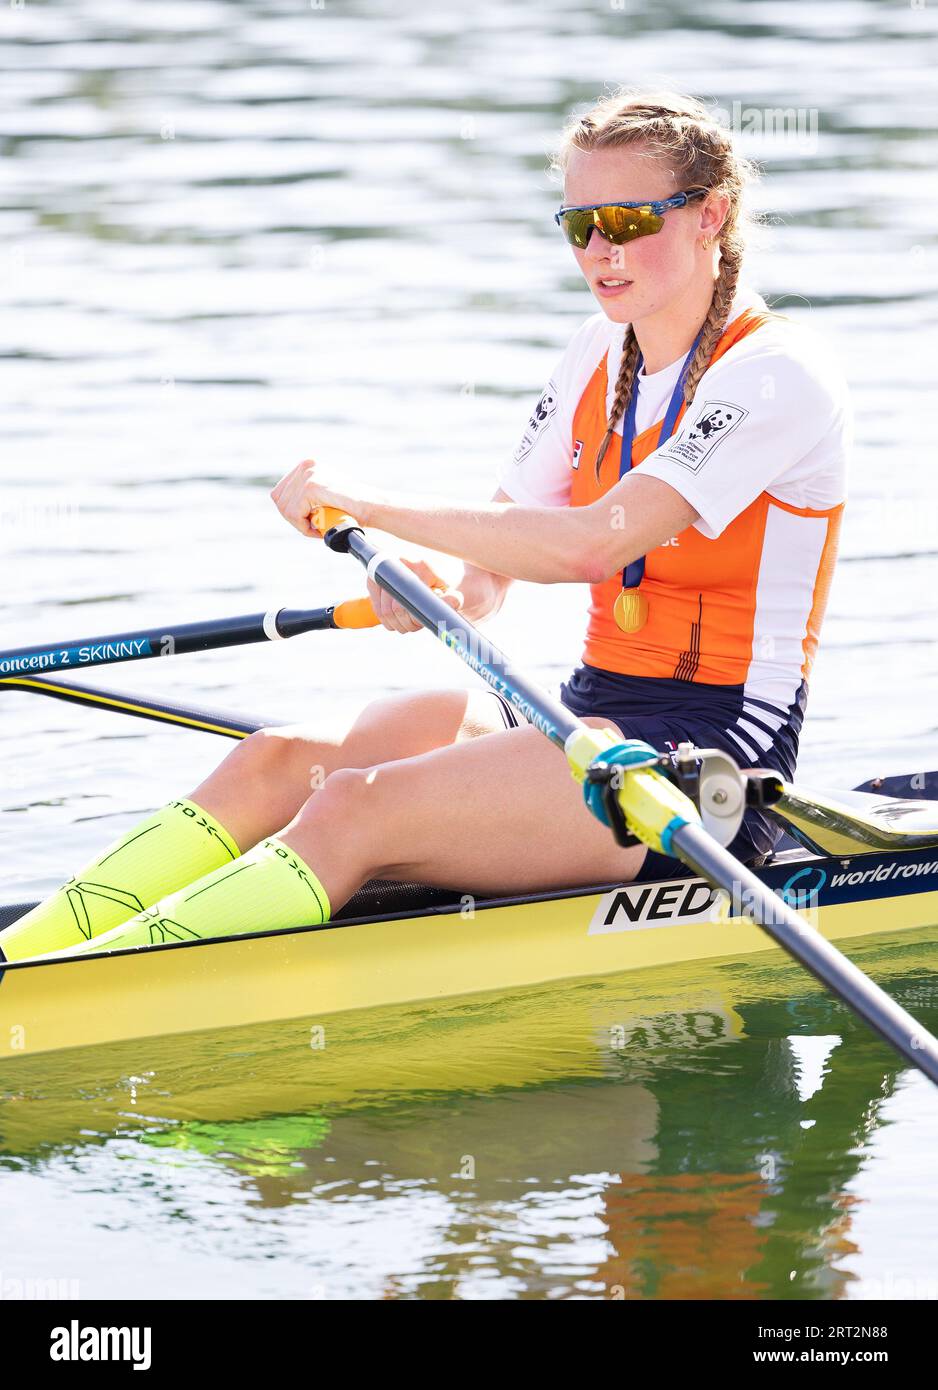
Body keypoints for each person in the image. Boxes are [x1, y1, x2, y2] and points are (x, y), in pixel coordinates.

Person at [0, 89, 849, 964]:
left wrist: (367, 504)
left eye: (628, 220)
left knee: (353, 805)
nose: (600, 251)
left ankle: (80, 988)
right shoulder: (599, 351)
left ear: (711, 216)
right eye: (578, 225)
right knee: (278, 759)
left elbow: (591, 542)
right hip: (584, 711)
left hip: (708, 763)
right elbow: (494, 567)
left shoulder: (775, 375)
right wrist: (437, 582)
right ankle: (25, 958)